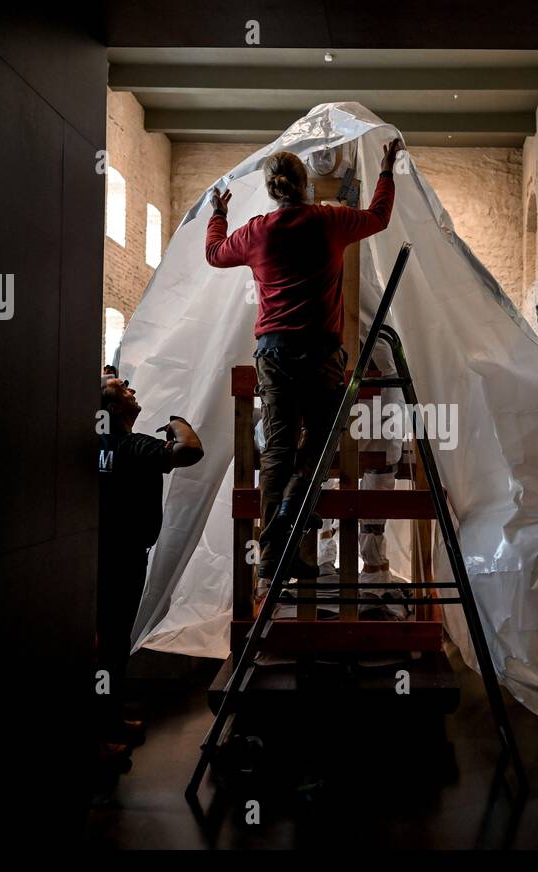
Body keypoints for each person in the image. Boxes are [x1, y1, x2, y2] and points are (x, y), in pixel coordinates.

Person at [205, 137, 403, 595]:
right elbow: (378, 217)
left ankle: (273, 558)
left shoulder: (257, 231)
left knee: (277, 451)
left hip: (273, 352)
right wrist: (387, 171)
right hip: (319, 352)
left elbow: (214, 254)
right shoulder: (327, 221)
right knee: (319, 443)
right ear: (305, 186)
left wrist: (218, 214)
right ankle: (291, 520)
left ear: (274, 191)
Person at [96, 376, 203, 756]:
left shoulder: (98, 446)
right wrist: (178, 422)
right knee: (110, 644)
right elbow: (191, 450)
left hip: (98, 555)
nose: (127, 383)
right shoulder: (135, 447)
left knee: (108, 642)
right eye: (119, 387)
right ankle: (101, 732)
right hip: (122, 557)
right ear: (113, 408)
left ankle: (109, 719)